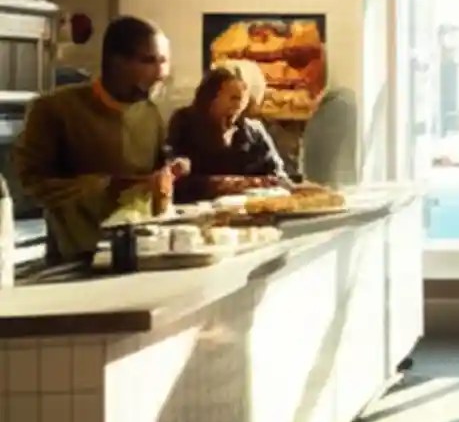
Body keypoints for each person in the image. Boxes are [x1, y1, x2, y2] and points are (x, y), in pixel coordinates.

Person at [13, 16, 188, 262]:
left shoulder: (150, 113)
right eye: (148, 61)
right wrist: (108, 185)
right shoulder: (55, 109)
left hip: (140, 250)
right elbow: (28, 186)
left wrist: (172, 170)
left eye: (164, 61)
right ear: (116, 62)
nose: (161, 73)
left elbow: (156, 170)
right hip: (76, 257)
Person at [167, 65, 289, 202]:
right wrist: (224, 185)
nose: (238, 105)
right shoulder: (185, 123)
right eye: (234, 98)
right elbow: (175, 181)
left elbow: (278, 176)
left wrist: (263, 184)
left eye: (244, 98)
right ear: (211, 98)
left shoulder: (254, 132)